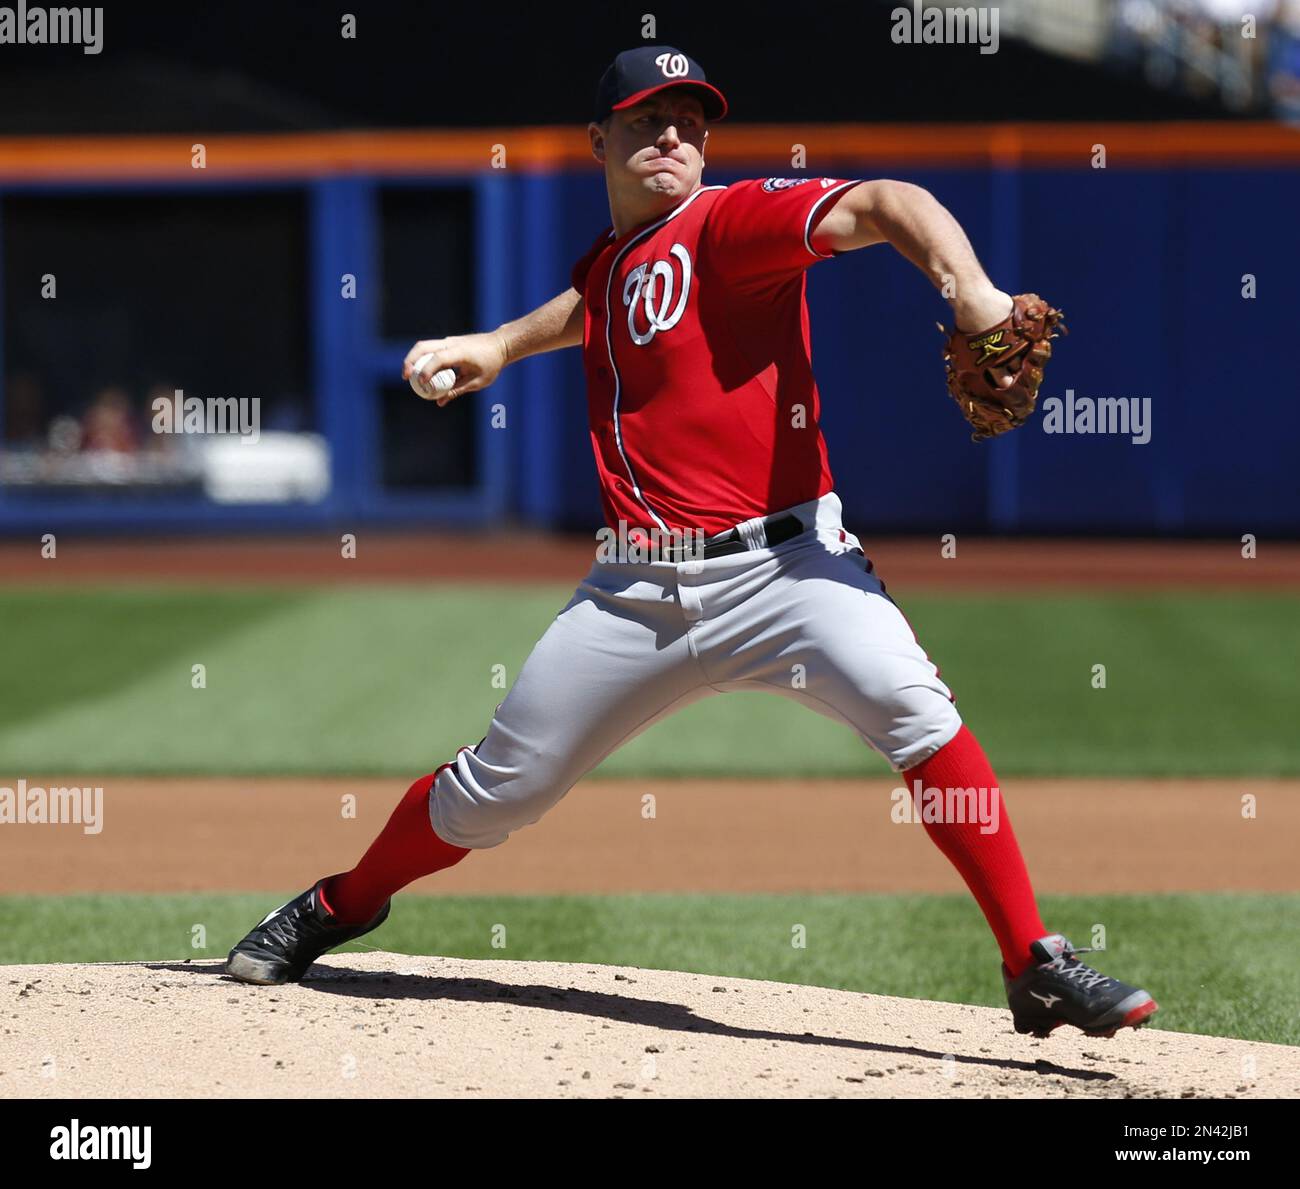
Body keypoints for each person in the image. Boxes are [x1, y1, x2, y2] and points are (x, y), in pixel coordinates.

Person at [227, 46, 1157, 1040]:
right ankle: (339, 902)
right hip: (634, 589)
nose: (670, 136)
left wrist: (970, 293)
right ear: (600, 141)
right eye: (643, 119)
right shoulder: (620, 256)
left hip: (790, 569)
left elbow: (889, 202)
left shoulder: (733, 222)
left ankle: (1033, 961)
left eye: (688, 120)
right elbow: (596, 299)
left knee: (916, 714)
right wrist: (496, 345)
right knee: (491, 793)